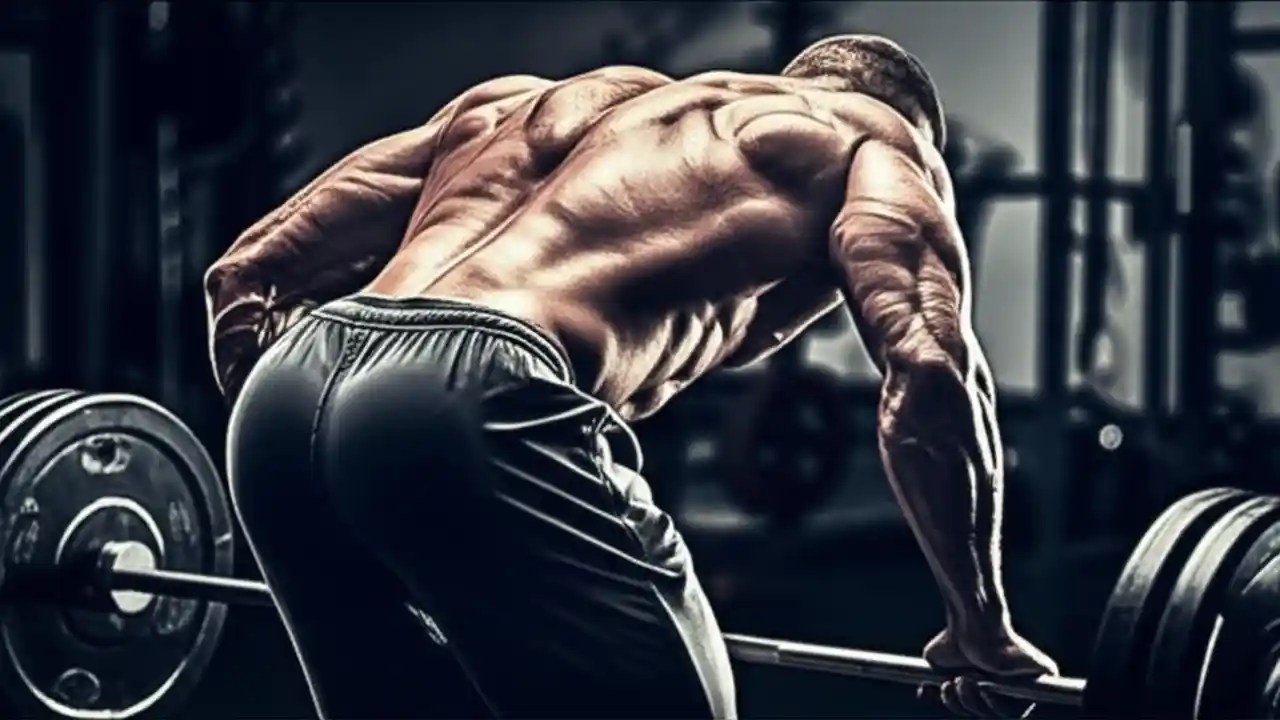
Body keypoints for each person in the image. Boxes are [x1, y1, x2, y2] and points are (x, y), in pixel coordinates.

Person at [205, 34, 1057, 719]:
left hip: (285, 395)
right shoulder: (874, 136)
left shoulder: (516, 107)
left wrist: (339, 492)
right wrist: (979, 622)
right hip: (469, 394)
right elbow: (931, 368)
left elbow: (241, 278)